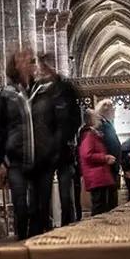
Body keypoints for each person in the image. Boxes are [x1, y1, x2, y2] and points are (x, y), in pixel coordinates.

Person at [32, 53, 82, 225]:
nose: (44, 69)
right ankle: (44, 229)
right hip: (44, 153)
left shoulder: (66, 89)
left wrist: (66, 137)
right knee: (43, 196)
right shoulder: (38, 90)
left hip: (63, 150)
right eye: (42, 65)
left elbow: (76, 118)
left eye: (46, 65)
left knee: (66, 195)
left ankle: (69, 227)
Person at [0, 50, 34, 240]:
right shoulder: (7, 94)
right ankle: (23, 244)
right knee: (20, 204)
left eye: (30, 60)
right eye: (23, 60)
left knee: (38, 205)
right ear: (15, 66)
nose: (28, 63)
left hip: (38, 159)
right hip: (15, 160)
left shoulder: (38, 92)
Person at [79, 108, 119, 215]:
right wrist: (105, 158)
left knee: (103, 206)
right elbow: (87, 154)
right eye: (96, 117)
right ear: (91, 119)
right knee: (98, 207)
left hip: (100, 175)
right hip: (96, 176)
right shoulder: (88, 134)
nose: (99, 119)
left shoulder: (94, 133)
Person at [95, 99, 121, 198]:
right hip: (106, 166)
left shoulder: (107, 123)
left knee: (111, 197)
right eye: (112, 109)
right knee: (106, 200)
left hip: (111, 166)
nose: (114, 111)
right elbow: (101, 145)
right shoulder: (100, 124)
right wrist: (106, 158)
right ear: (106, 110)